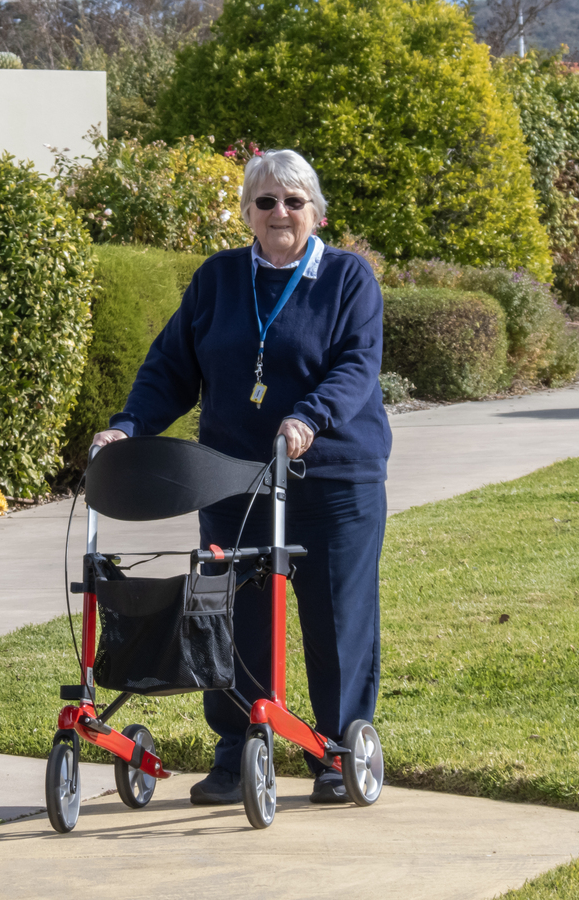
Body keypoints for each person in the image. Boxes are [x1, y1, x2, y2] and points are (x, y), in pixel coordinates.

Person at [91, 149, 391, 804]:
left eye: (293, 201)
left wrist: (309, 418)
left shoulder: (347, 278)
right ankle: (238, 751)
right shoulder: (219, 278)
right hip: (232, 478)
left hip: (332, 475)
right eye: (265, 202)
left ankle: (335, 753)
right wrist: (130, 424)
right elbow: (172, 366)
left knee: (335, 617)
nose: (279, 212)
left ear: (315, 210)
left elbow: (355, 365)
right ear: (248, 212)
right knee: (230, 614)